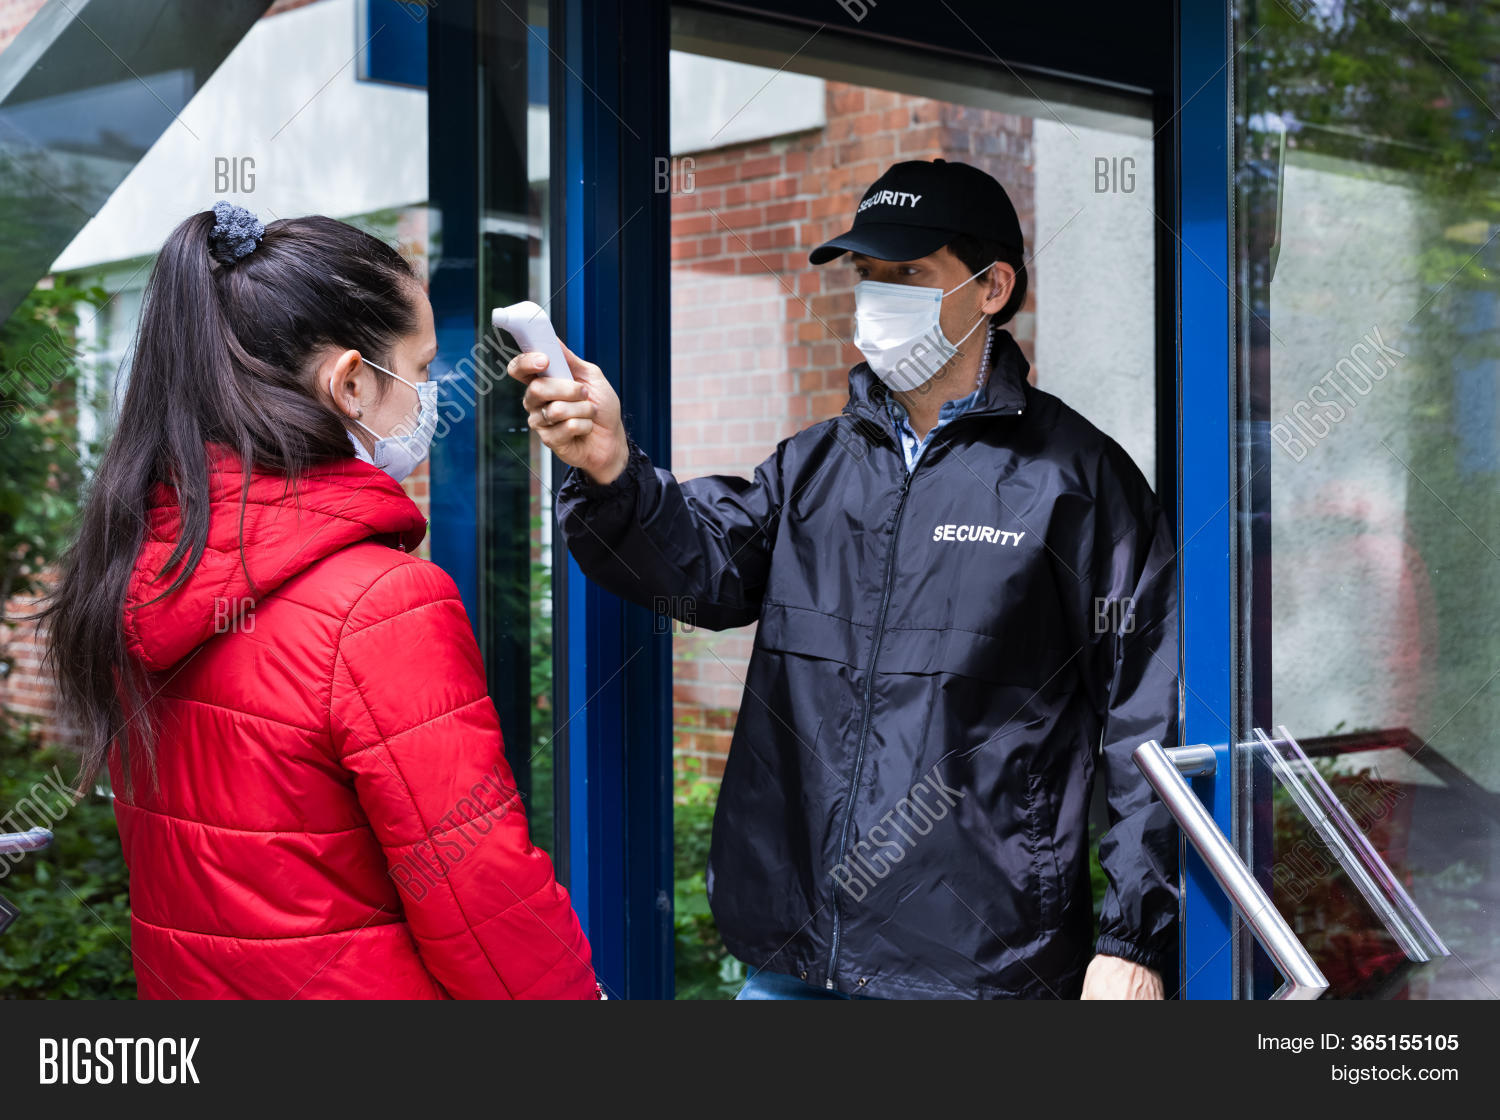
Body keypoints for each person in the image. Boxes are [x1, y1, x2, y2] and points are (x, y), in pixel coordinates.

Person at [510, 159, 1180, 1000]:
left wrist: (1134, 939)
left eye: (909, 274)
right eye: (868, 274)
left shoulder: (1077, 481)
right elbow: (701, 571)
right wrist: (612, 468)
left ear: (992, 287)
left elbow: (1151, 718)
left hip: (980, 969)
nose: (878, 298)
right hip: (794, 955)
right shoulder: (814, 465)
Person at [36, 203, 598, 1000]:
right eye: (423, 368)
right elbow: (480, 890)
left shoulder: (139, 567)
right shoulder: (380, 604)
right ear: (351, 382)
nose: (431, 394)